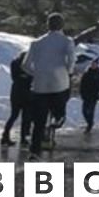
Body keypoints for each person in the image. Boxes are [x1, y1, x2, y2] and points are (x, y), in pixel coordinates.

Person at [22, 12, 76, 159]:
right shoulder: (67, 41)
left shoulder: (36, 43)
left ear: (47, 25)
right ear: (62, 25)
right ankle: (58, 117)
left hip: (40, 86)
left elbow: (25, 65)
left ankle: (34, 151)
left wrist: (37, 73)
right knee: (60, 106)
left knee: (39, 121)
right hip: (59, 84)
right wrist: (68, 73)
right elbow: (71, 61)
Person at [1, 50, 33, 147]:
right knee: (25, 118)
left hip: (15, 93)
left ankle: (5, 136)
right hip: (26, 94)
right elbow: (32, 78)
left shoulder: (14, 64)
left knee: (14, 115)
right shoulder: (29, 67)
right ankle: (23, 139)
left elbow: (15, 78)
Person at [79, 59, 99, 134]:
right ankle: (89, 122)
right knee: (84, 111)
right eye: (92, 64)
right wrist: (82, 93)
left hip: (94, 96)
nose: (93, 65)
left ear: (97, 65)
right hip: (86, 95)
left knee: (90, 111)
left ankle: (89, 125)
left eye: (95, 64)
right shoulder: (86, 74)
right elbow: (82, 84)